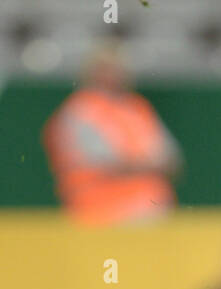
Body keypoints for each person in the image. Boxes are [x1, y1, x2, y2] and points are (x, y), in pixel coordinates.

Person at [42, 41, 182, 226]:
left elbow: (170, 158)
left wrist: (145, 165)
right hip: (100, 214)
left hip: (151, 211)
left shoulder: (136, 108)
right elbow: (103, 162)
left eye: (118, 68)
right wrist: (146, 165)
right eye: (106, 68)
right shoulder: (81, 110)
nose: (114, 74)